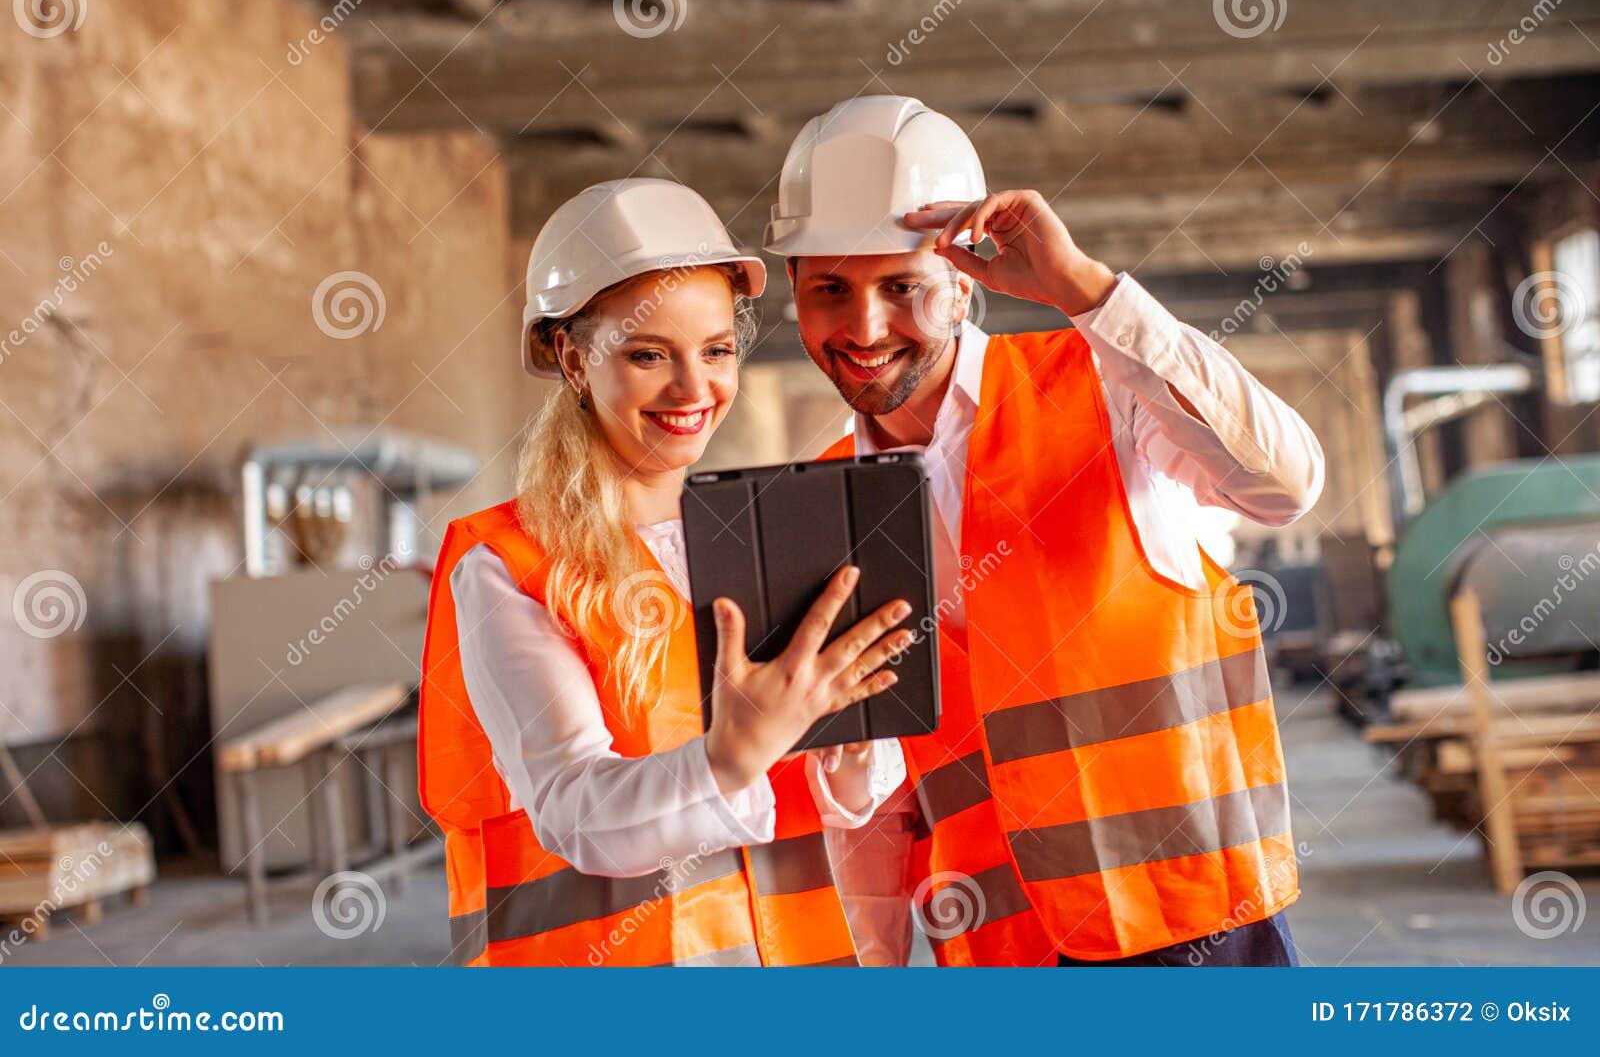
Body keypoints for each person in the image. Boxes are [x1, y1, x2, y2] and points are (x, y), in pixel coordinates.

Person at [764, 96, 1326, 967]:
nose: (865, 328)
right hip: (1000, 958)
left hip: (1193, 935)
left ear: (962, 283)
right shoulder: (817, 507)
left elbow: (1286, 483)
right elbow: (872, 804)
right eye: (830, 289)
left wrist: (1090, 294)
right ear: (796, 296)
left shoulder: (1105, 388)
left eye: (900, 286)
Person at [419, 177, 911, 967]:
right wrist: (732, 756)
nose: (693, 389)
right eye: (648, 354)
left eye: (716, 350)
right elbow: (573, 810)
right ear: (574, 359)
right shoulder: (509, 564)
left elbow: (830, 805)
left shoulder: (761, 531)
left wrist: (852, 758)